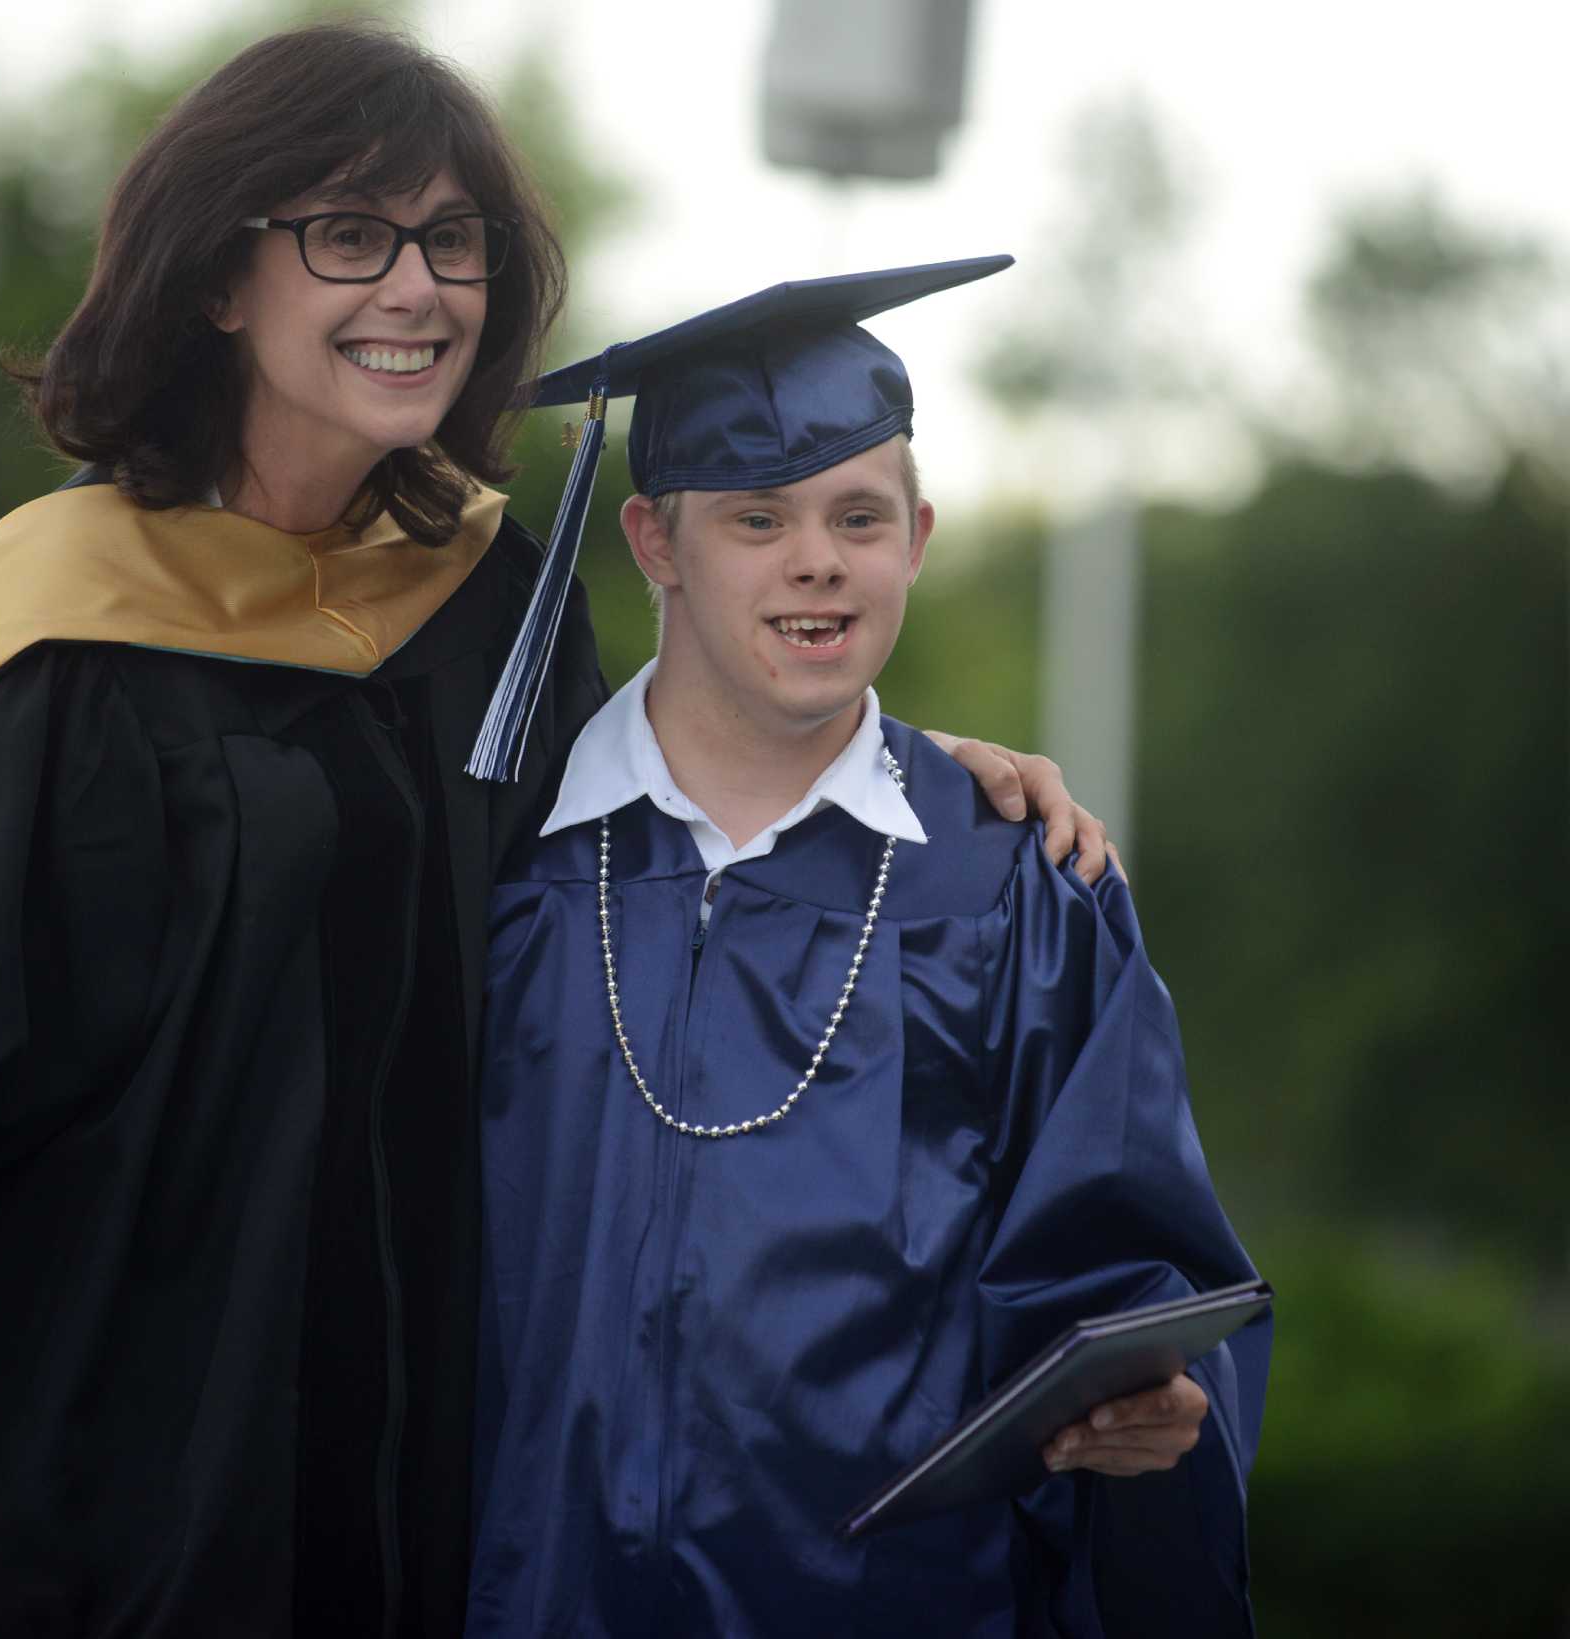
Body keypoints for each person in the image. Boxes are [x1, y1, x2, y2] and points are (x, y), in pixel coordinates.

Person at [0, 30, 1105, 1639]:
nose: (417, 288)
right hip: (71, 1471)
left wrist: (912, 771)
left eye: (456, 242)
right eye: (349, 237)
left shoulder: (488, 603)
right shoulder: (50, 643)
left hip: (409, 1462)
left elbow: (645, 849)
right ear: (222, 279)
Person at [465, 262, 1269, 1638]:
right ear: (656, 543)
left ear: (919, 536)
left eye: (858, 516)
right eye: (756, 518)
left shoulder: (1017, 886)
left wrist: (1159, 1408)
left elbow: (1128, 1260)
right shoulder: (498, 864)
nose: (816, 558)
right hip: (527, 1595)